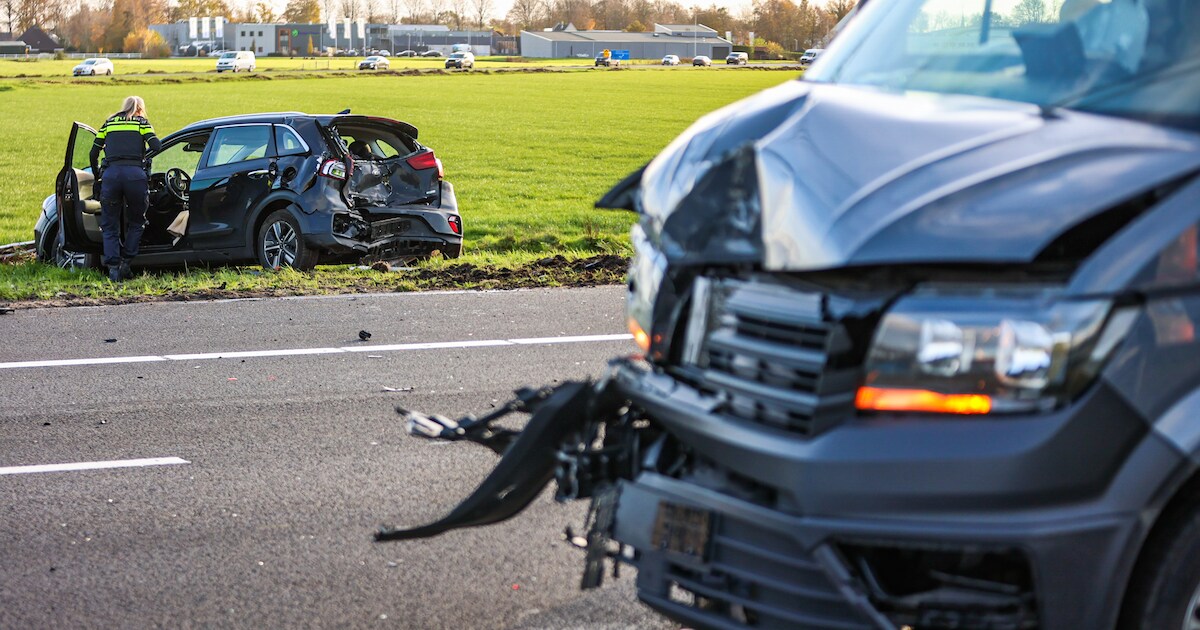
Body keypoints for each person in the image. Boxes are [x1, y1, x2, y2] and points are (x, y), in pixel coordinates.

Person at [89, 95, 161, 282]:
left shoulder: (109, 123)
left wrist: (98, 175)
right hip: (135, 176)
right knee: (137, 221)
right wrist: (142, 159)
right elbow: (157, 145)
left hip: (111, 176)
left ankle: (113, 269)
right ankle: (126, 263)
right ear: (140, 108)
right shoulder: (141, 123)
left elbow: (93, 152)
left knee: (109, 224)